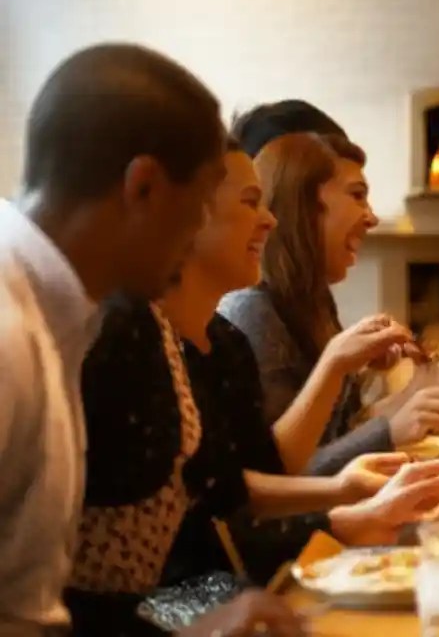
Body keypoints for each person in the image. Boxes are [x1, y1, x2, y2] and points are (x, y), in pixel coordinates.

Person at [65, 141, 439, 634]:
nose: (269, 219)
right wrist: (344, 497)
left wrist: (344, 495)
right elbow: (208, 530)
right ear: (189, 216)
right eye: (251, 202)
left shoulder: (223, 338)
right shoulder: (130, 332)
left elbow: (230, 487)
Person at [0, 43, 298, 635]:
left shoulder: (61, 310)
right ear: (144, 188)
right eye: (202, 203)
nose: (200, 229)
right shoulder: (9, 335)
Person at [221, 132, 439, 475]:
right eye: (357, 195)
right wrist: (387, 431)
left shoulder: (314, 300)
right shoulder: (252, 312)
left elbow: (332, 435)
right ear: (304, 205)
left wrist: (411, 398)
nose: (372, 218)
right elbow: (277, 478)